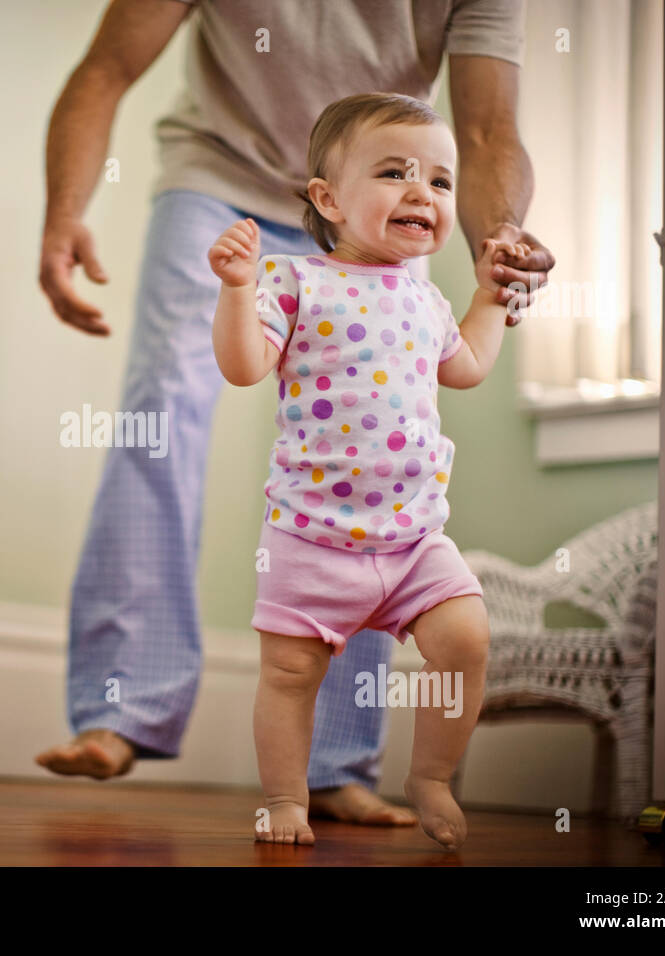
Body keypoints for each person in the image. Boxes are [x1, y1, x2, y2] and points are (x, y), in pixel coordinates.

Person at [36, 0, 554, 827]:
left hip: (383, 205)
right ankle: (122, 705)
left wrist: (502, 248)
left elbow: (486, 133)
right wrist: (64, 216)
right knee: (161, 410)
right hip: (222, 179)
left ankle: (336, 764)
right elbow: (105, 69)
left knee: (375, 465)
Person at [212, 92, 523, 847]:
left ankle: (429, 776)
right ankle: (287, 798)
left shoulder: (428, 300)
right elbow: (244, 365)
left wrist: (488, 296)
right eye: (395, 173)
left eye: (441, 183)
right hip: (312, 535)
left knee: (468, 638)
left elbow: (470, 365)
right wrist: (236, 289)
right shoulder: (294, 281)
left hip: (415, 536)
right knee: (290, 678)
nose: (423, 192)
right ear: (329, 199)